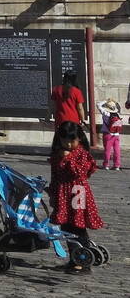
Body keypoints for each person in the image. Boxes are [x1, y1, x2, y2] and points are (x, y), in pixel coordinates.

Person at [49, 122, 103, 275]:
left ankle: (84, 261)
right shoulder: (57, 154)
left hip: (77, 193)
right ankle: (74, 259)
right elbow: (55, 174)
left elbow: (80, 173)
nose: (68, 144)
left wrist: (69, 159)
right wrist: (52, 192)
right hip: (62, 194)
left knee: (78, 227)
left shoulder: (81, 154)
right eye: (64, 140)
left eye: (71, 141)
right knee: (66, 227)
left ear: (79, 139)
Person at [98, 99, 122, 170]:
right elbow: (118, 106)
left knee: (107, 150)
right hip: (117, 134)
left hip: (108, 134)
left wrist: (106, 100)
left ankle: (106, 165)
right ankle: (117, 165)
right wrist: (114, 102)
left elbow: (98, 105)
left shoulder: (106, 113)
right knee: (117, 150)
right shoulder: (118, 114)